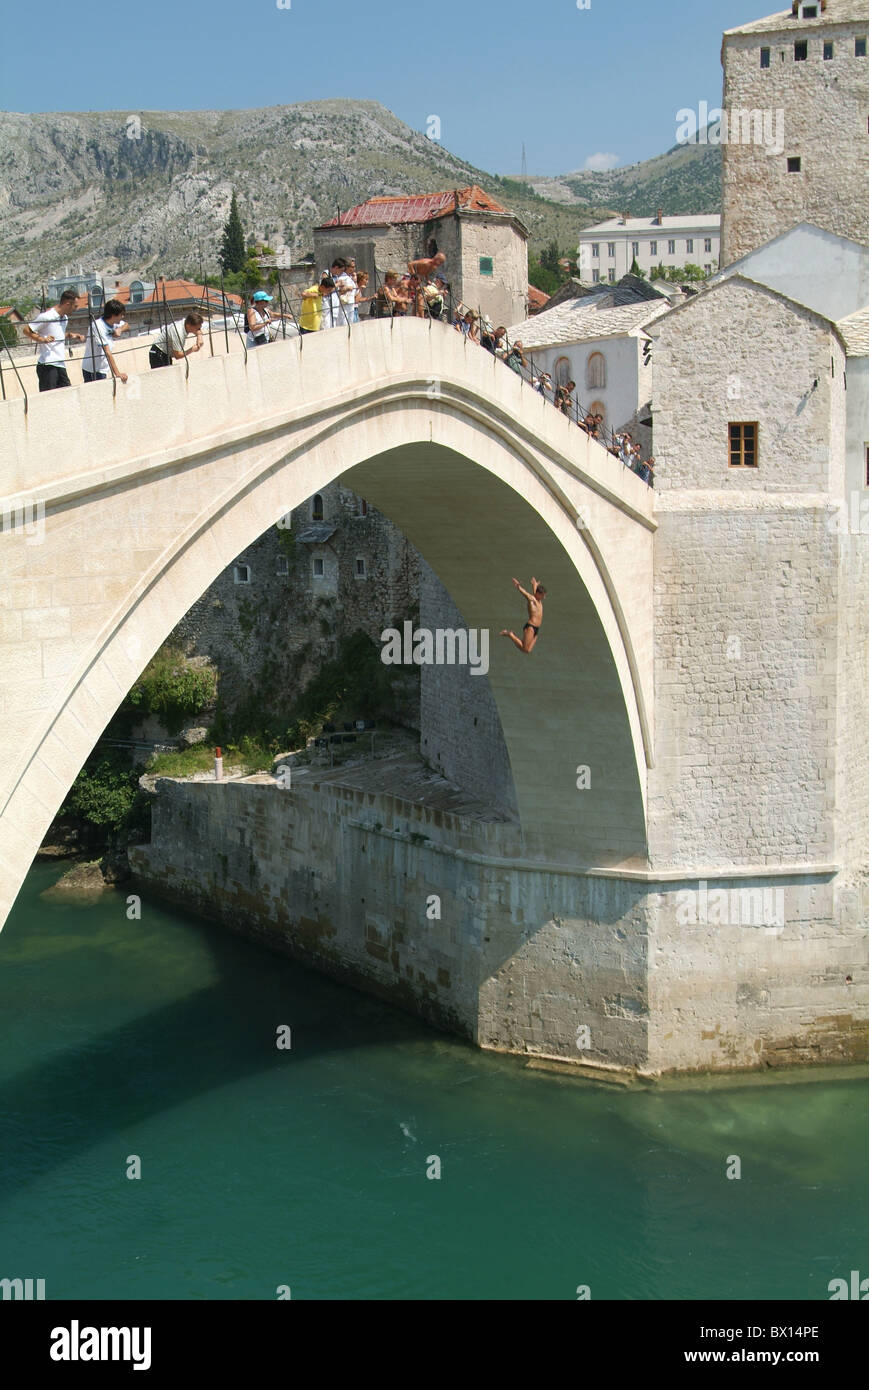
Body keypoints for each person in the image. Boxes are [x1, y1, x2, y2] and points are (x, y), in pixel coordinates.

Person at [24, 288, 85, 391]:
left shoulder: (64, 318)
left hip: (60, 363)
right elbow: (26, 330)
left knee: (67, 395)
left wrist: (71, 335)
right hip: (48, 365)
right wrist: (42, 339)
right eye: (75, 306)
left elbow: (57, 334)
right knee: (49, 399)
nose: (76, 309)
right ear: (67, 304)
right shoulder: (47, 316)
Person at [81, 299, 128, 384]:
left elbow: (127, 325)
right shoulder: (98, 326)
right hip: (93, 369)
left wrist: (120, 329)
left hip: (102, 368)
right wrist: (117, 373)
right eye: (122, 315)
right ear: (114, 315)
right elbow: (107, 352)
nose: (123, 317)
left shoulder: (114, 322)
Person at [500, 576, 546, 655]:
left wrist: (534, 584)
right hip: (531, 627)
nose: (544, 597)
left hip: (536, 628)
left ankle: (511, 634)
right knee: (525, 649)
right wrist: (518, 586)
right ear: (538, 594)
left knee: (527, 650)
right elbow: (525, 593)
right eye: (543, 595)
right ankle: (511, 635)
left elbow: (535, 592)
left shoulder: (539, 600)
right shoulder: (532, 600)